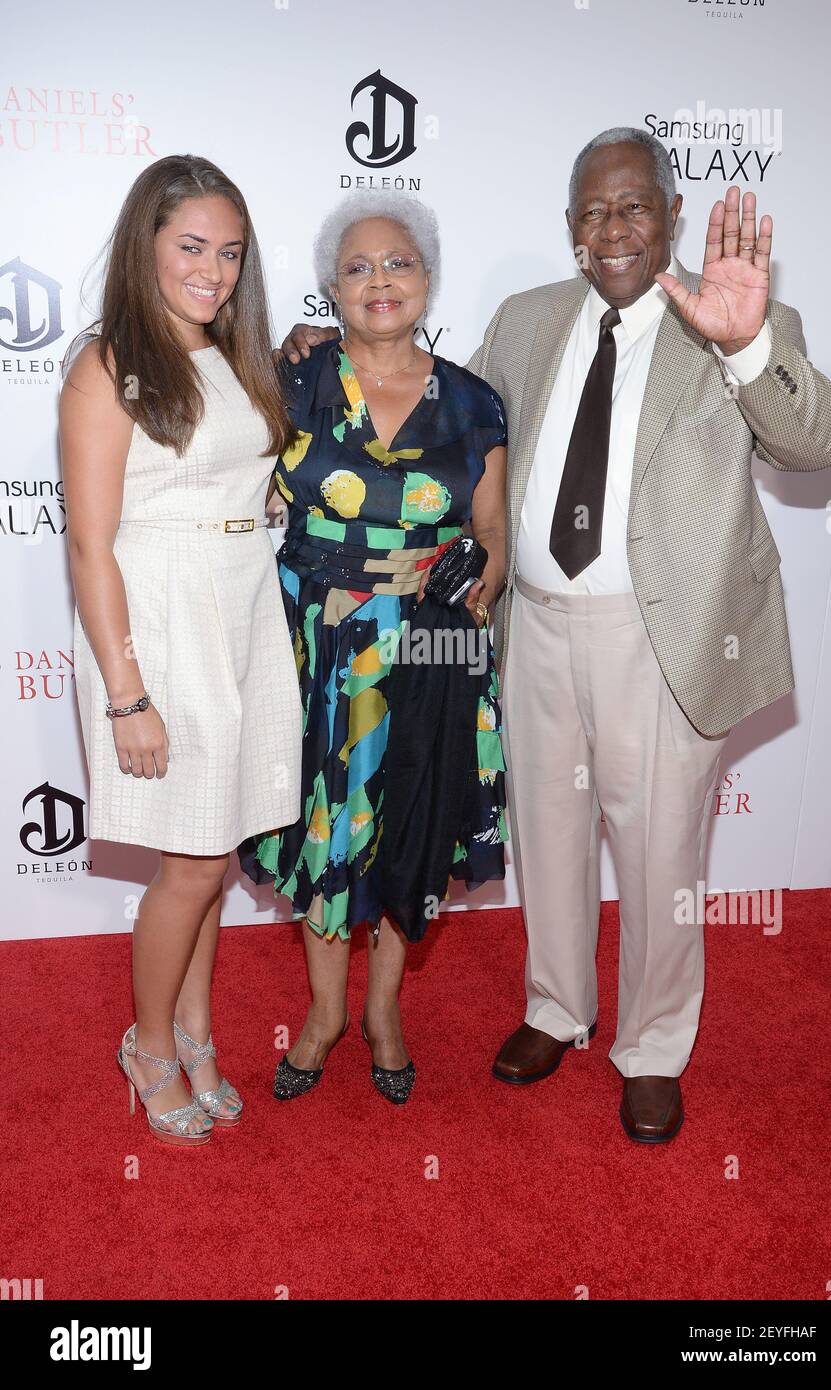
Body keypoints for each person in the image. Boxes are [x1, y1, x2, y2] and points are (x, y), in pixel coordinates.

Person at [284, 128, 831, 1141]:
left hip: (658, 636)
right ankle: (555, 1007)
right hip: (528, 627)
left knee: (659, 851)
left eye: (633, 206)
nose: (613, 227)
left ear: (670, 216)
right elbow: (440, 425)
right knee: (544, 836)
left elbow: (815, 443)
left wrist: (747, 343)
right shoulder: (528, 318)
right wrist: (327, 350)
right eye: (592, 211)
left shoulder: (735, 322)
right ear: (569, 231)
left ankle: (652, 1044)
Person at [238, 189, 508, 1105]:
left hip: (430, 646)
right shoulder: (291, 382)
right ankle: (323, 1017)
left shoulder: (473, 403)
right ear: (330, 292)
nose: (379, 280)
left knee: (409, 825)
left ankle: (385, 1010)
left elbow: (495, 537)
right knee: (326, 830)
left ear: (427, 279)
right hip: (316, 641)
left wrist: (481, 575)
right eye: (357, 268)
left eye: (397, 263)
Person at [61, 154, 303, 1147]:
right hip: (157, 623)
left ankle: (198, 1031)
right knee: (194, 866)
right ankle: (150, 1044)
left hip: (243, 611)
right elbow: (88, 543)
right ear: (145, 246)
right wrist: (127, 691)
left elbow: (243, 481)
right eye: (191, 247)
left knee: (213, 848)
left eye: (230, 253)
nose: (212, 271)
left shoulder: (235, 357)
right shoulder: (108, 362)